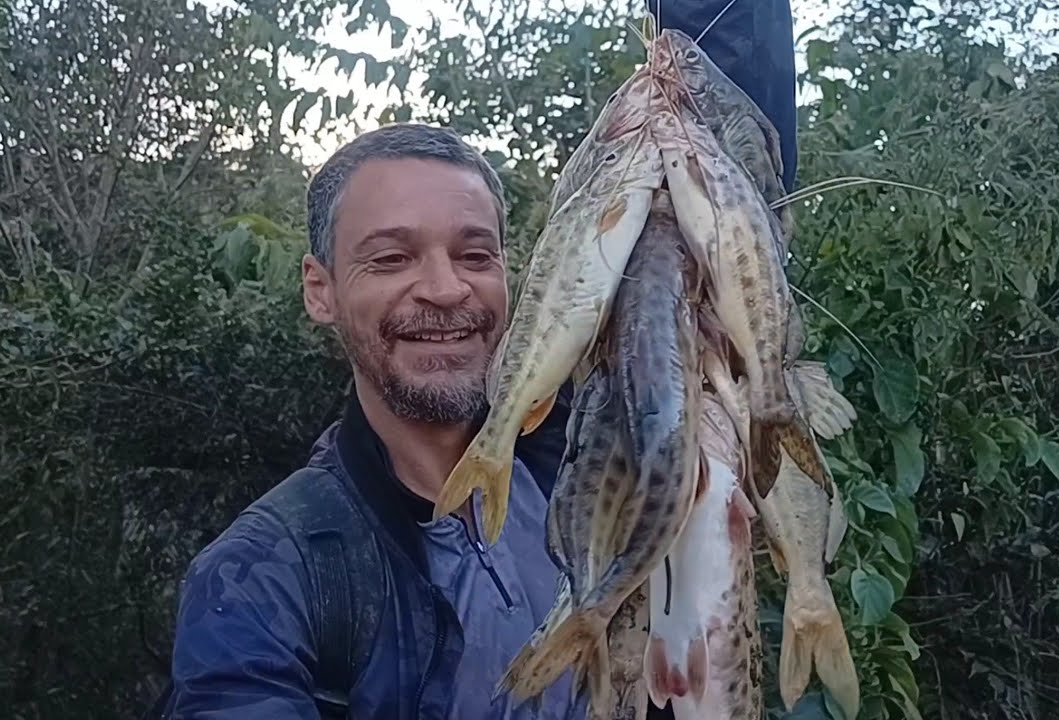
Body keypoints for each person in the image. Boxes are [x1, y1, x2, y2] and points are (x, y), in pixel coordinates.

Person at [157, 3, 797, 718]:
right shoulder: (264, 582)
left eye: (474, 254)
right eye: (392, 258)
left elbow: (740, 191)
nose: (444, 289)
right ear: (321, 289)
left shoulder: (590, 449)